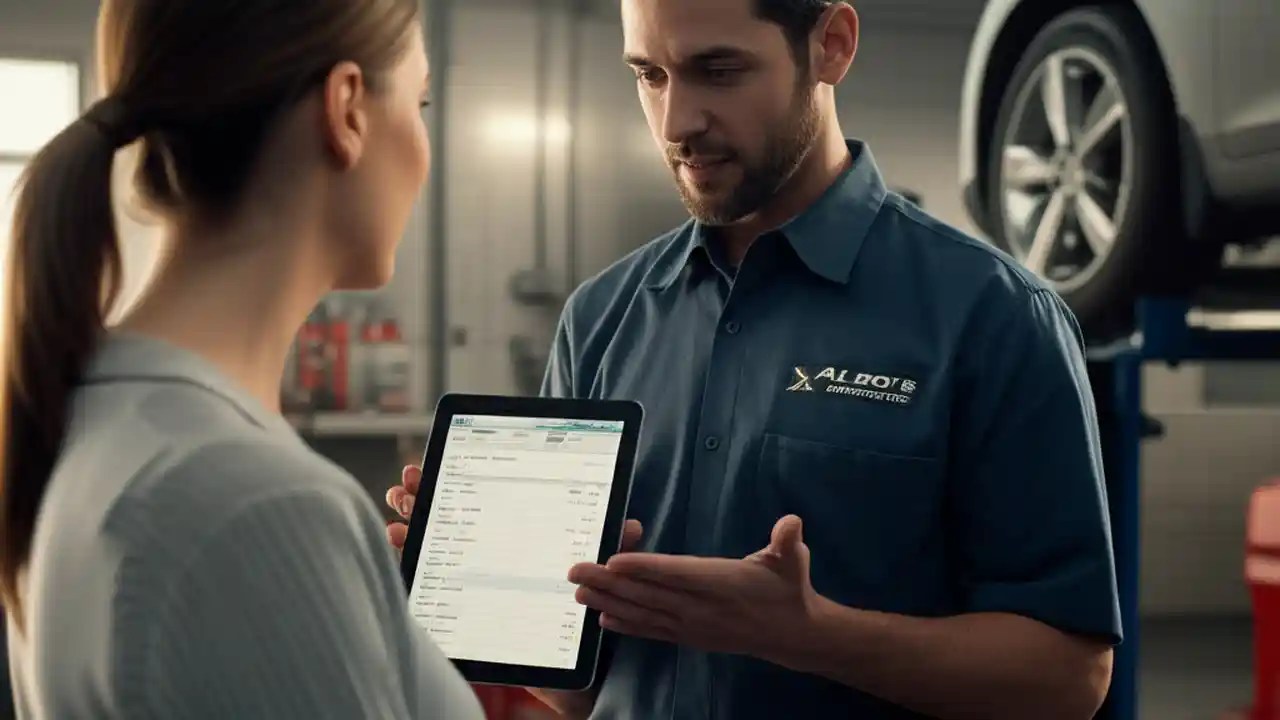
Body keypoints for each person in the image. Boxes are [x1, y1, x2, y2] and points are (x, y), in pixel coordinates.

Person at [388, 0, 1123, 718]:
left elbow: (1068, 680)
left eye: (718, 70)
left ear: (831, 44)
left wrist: (812, 637)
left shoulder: (994, 316)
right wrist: (481, 588)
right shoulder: (600, 318)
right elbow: (581, 695)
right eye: (649, 75)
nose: (676, 122)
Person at [0, 1, 483, 717]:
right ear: (347, 109)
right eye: (420, 103)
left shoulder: (88, 420)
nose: (423, 143)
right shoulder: (255, 503)